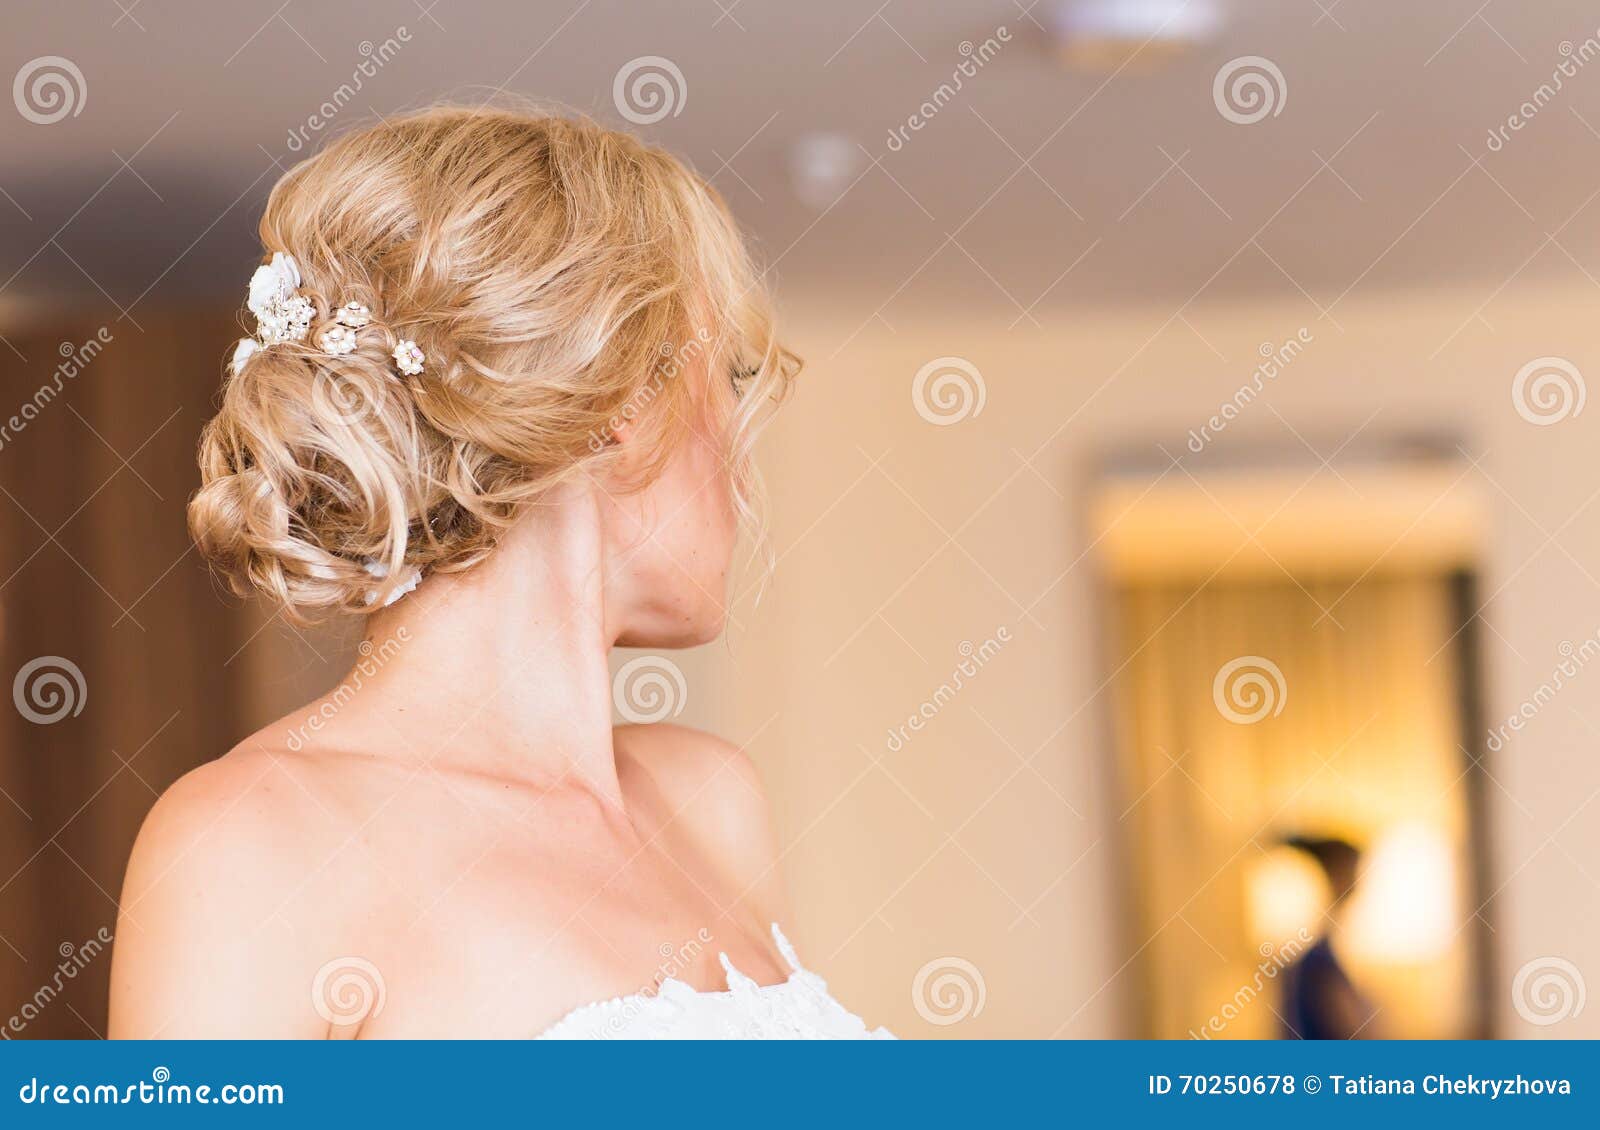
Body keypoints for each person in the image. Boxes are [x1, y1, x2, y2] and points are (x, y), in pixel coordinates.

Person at [108, 105, 889, 1040]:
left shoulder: (712, 801)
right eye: (727, 378)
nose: (746, 472)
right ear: (623, 402)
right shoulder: (250, 843)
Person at [1278, 834, 1377, 1040]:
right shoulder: (1317, 961)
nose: (1356, 884)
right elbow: (1350, 1032)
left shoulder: (1325, 951)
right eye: (1351, 872)